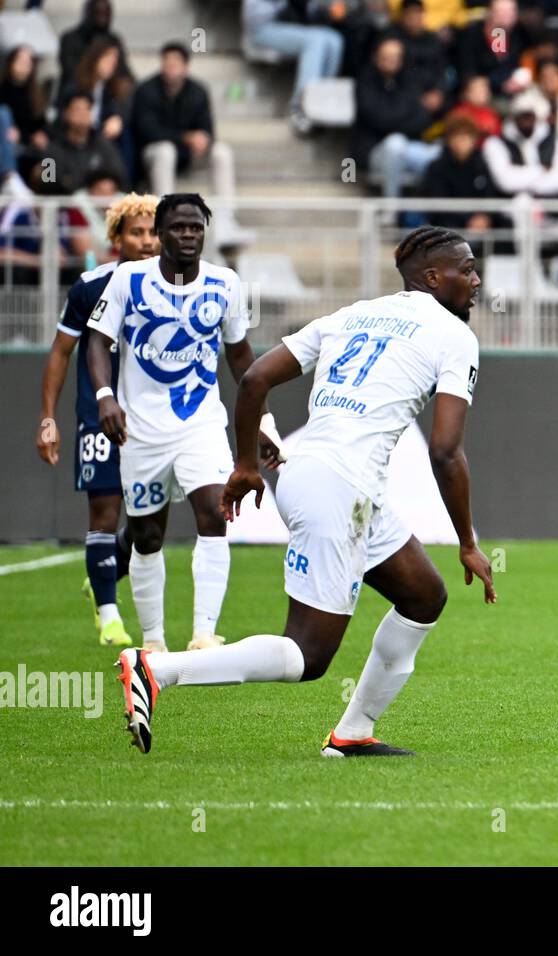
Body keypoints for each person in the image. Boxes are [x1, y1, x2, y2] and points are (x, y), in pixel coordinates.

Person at [116, 226, 496, 758]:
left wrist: (247, 464)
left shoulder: (353, 314)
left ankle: (353, 733)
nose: (476, 281)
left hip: (316, 476)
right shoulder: (455, 335)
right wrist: (467, 540)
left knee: (423, 596)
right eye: (468, 269)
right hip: (340, 488)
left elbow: (252, 381)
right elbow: (445, 452)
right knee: (307, 655)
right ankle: (158, 669)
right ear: (433, 278)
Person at [85, 193, 280, 655]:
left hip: (200, 424)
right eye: (177, 228)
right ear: (160, 232)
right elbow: (97, 342)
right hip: (140, 432)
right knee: (147, 534)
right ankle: (153, 642)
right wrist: (105, 396)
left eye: (195, 228)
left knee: (215, 514)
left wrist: (265, 421)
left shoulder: (225, 284)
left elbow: (239, 356)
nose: (187, 236)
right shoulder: (128, 280)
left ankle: (204, 635)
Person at [35, 192, 159, 647]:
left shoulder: (177, 288)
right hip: (100, 415)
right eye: (136, 233)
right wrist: (48, 418)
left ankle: (105, 572)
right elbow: (60, 353)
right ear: (117, 238)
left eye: (152, 232)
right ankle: (109, 614)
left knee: (150, 518)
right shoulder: (90, 286)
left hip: (157, 420)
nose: (147, 242)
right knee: (104, 510)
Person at [132, 44, 245, 244]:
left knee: (221, 152)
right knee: (165, 151)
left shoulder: (198, 91)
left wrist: (203, 139)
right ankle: (166, 218)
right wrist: (185, 137)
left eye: (175, 64)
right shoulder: (146, 90)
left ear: (185, 67)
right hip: (153, 155)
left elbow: (208, 130)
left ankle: (225, 219)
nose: (170, 68)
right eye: (167, 63)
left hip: (189, 155)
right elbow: (147, 131)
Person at [352, 37, 441, 201]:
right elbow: (376, 119)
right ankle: (390, 210)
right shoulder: (365, 81)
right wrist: (405, 116)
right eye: (385, 56)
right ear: (376, 57)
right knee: (395, 143)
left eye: (395, 57)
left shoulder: (410, 80)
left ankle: (428, 214)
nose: (390, 61)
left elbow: (422, 119)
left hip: (409, 148)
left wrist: (396, 117)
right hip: (374, 150)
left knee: (439, 155)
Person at [242, 0, 345, 133]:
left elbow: (307, 10)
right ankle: (300, 108)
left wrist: (324, 11)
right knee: (316, 41)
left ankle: (321, 103)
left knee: (334, 40)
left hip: (291, 25)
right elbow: (253, 19)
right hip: (262, 29)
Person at [481, 87, 558, 198]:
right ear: (513, 116)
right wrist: (542, 170)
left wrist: (523, 179)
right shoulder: (496, 143)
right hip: (510, 212)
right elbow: (505, 182)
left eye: (529, 115)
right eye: (522, 114)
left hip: (552, 211)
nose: (526, 120)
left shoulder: (557, 142)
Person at [41, 91, 127, 194]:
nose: (83, 114)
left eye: (87, 109)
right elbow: (46, 183)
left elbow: (119, 174)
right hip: (67, 204)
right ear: (66, 114)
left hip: (100, 203)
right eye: (78, 109)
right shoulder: (53, 148)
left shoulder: (103, 145)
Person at [58, 0, 132, 100]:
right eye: (98, 14)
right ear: (87, 14)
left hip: (108, 95)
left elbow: (124, 72)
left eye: (106, 14)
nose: (102, 20)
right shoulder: (70, 39)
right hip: (77, 95)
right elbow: (72, 72)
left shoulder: (113, 40)